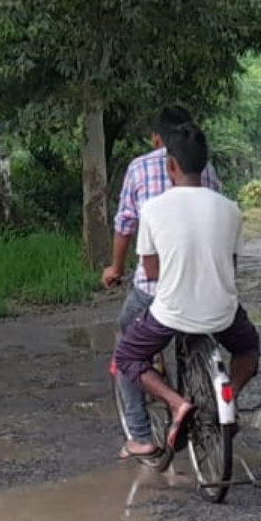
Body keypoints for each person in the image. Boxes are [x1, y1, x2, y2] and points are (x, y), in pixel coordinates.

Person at [111, 122, 259, 460]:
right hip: (223, 312)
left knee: (127, 355)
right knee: (248, 348)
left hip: (171, 311)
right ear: (205, 165)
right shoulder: (231, 209)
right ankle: (229, 396)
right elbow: (230, 266)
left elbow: (150, 272)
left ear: (170, 165)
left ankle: (177, 404)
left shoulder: (153, 210)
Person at [102, 105, 222, 448]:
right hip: (204, 283)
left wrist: (115, 269)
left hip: (157, 288)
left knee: (127, 343)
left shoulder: (140, 167)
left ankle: (140, 435)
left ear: (157, 139)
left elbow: (125, 224)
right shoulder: (205, 169)